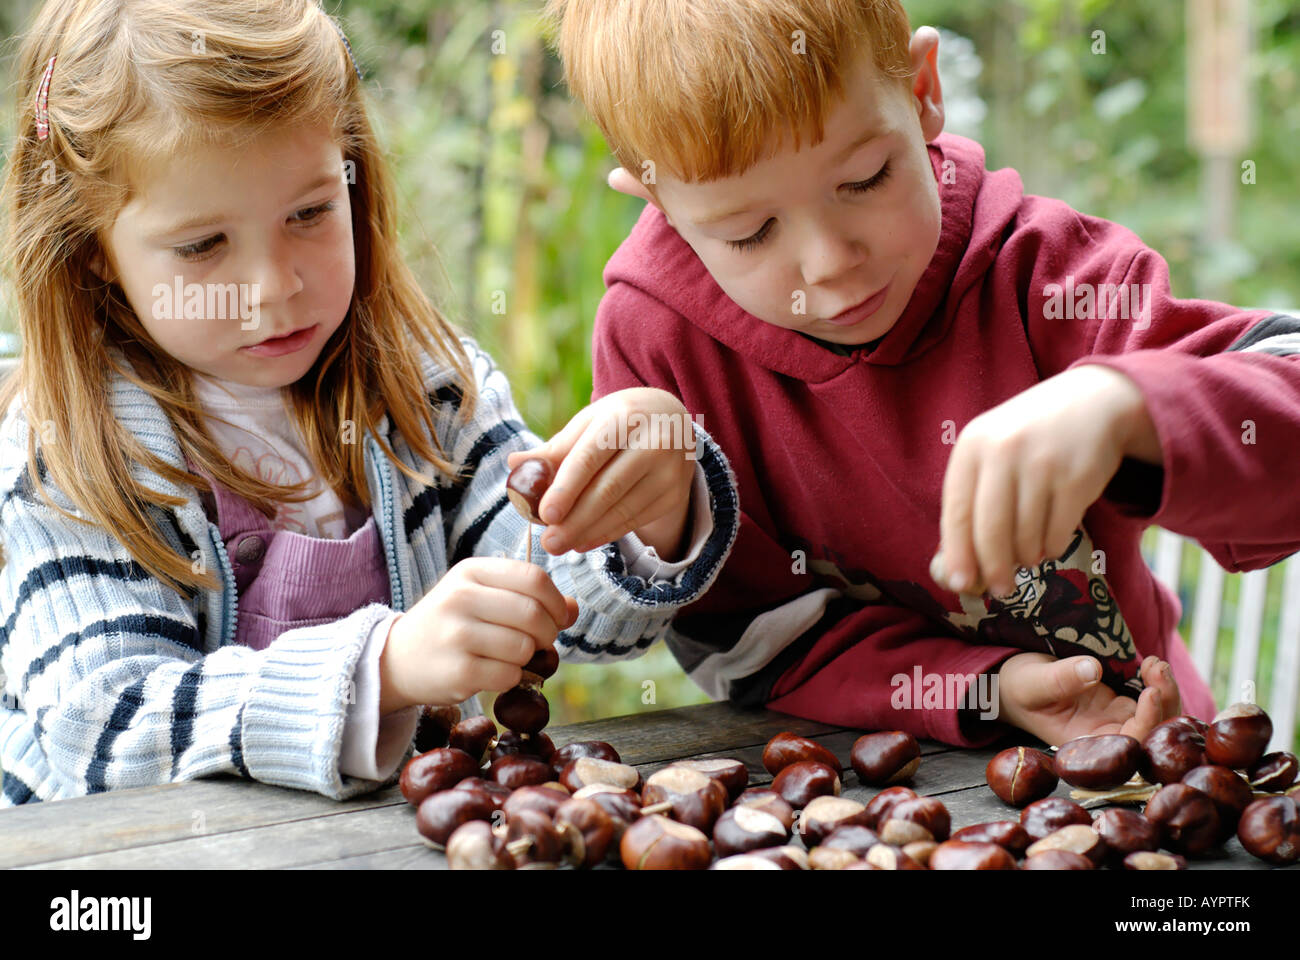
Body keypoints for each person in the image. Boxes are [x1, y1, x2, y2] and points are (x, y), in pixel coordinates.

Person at [0, 0, 739, 807]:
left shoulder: (423, 387)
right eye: (204, 244)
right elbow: (104, 729)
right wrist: (381, 666)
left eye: (310, 213)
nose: (276, 285)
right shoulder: (68, 456)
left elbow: (558, 600)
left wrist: (637, 516)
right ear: (93, 249)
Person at [543, 0, 1300, 748]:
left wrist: (1126, 408)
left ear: (924, 89)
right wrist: (984, 687)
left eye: (867, 179)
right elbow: (746, 642)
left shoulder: (1054, 277)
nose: (831, 262)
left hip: (1157, 754)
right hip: (904, 783)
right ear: (658, 204)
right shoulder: (662, 347)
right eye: (750, 232)